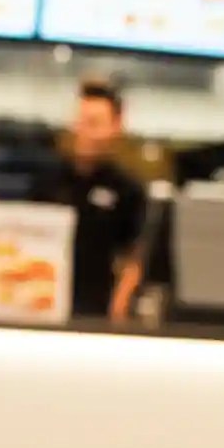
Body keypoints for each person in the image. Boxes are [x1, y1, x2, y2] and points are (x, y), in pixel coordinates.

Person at [35, 81, 149, 321]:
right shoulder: (47, 180)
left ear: (115, 127)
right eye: (80, 122)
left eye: (94, 123)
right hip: (43, 306)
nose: (84, 131)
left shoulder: (127, 190)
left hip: (95, 314)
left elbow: (132, 259)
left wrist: (117, 313)